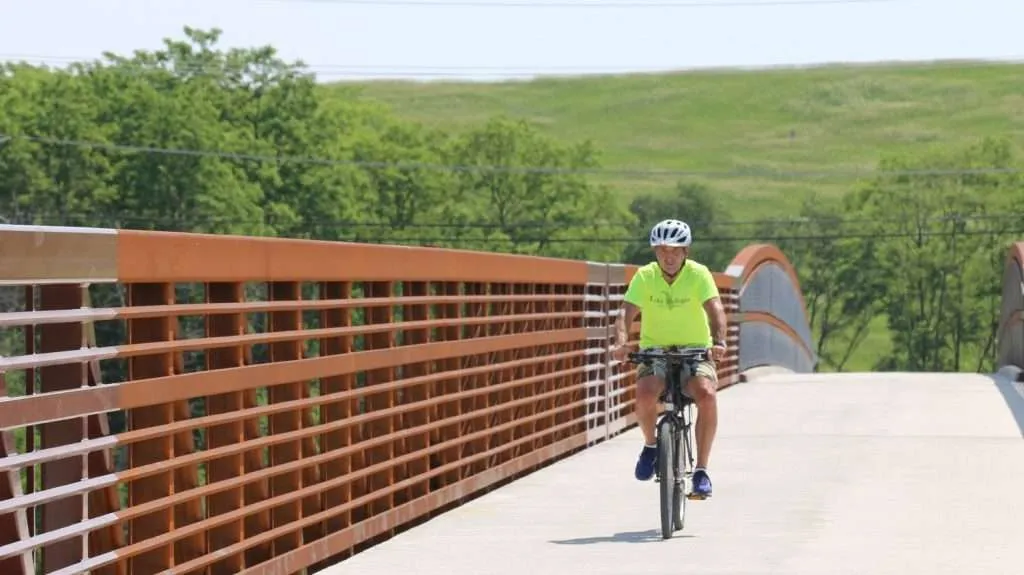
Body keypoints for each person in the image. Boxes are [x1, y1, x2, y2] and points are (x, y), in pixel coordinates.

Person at [611, 218, 728, 499]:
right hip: (656, 350)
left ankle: (701, 471)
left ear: (685, 252)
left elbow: (716, 310)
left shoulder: (699, 275)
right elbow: (625, 312)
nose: (669, 256)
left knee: (706, 393)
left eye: (675, 250)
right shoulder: (645, 276)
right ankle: (651, 445)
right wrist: (620, 342)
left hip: (696, 348)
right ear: (655, 252)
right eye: (663, 250)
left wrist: (719, 342)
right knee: (645, 391)